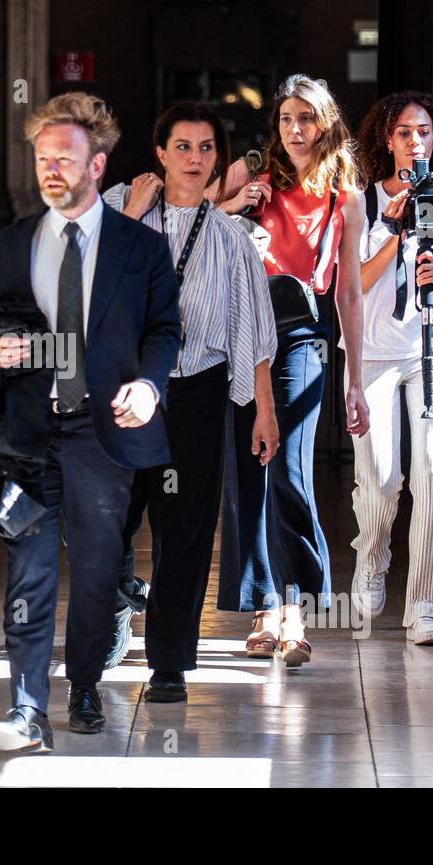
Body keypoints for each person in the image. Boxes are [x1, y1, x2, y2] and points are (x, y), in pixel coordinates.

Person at [0, 93, 181, 751]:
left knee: (94, 573)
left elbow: (165, 329)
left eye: (64, 157)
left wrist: (150, 385)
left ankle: (85, 682)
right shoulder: (9, 244)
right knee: (28, 570)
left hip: (102, 434)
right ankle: (27, 707)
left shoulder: (140, 248)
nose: (50, 169)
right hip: (28, 435)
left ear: (98, 164)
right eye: (41, 158)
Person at [101, 102, 279, 702]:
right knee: (110, 521)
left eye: (206, 149)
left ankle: (170, 664)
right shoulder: (115, 211)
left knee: (184, 531)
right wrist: (130, 213)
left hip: (196, 395)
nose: (195, 159)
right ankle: (107, 621)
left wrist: (264, 409)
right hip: (126, 392)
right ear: (159, 152)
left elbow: (251, 329)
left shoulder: (232, 237)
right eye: (183, 146)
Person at [218, 74, 370, 668]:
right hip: (239, 332)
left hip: (302, 333)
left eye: (307, 118)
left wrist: (354, 379)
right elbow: (191, 228)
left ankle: (298, 606)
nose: (296, 130)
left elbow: (350, 294)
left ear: (327, 123)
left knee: (288, 468)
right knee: (246, 470)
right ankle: (262, 607)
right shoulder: (249, 176)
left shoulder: (347, 198)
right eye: (286, 118)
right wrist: (232, 206)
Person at [348, 91, 433, 645]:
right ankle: (372, 557)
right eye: (404, 132)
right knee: (381, 480)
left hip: (432, 348)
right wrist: (396, 234)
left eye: (424, 132)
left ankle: (425, 606)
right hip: (374, 352)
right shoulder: (362, 203)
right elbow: (351, 284)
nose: (415, 141)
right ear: (387, 139)